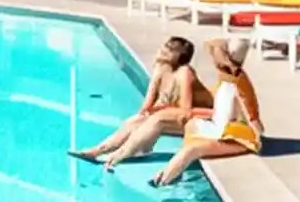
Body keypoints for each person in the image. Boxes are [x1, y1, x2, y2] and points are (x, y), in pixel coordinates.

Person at [102, 38, 262, 184]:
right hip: (220, 128)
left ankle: (161, 181)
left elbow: (253, 117)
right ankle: (125, 159)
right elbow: (221, 109)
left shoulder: (239, 85)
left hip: (236, 137)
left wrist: (255, 132)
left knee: (191, 150)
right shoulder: (225, 80)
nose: (215, 61)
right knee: (186, 129)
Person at [70, 37, 212, 163]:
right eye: (166, 46)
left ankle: (120, 154)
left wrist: (157, 111)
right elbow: (147, 106)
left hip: (201, 119)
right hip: (177, 115)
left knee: (154, 121)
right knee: (133, 121)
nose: (163, 49)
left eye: (170, 49)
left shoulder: (184, 72)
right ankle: (97, 151)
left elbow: (185, 111)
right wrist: (143, 116)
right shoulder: (161, 69)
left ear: (179, 55)